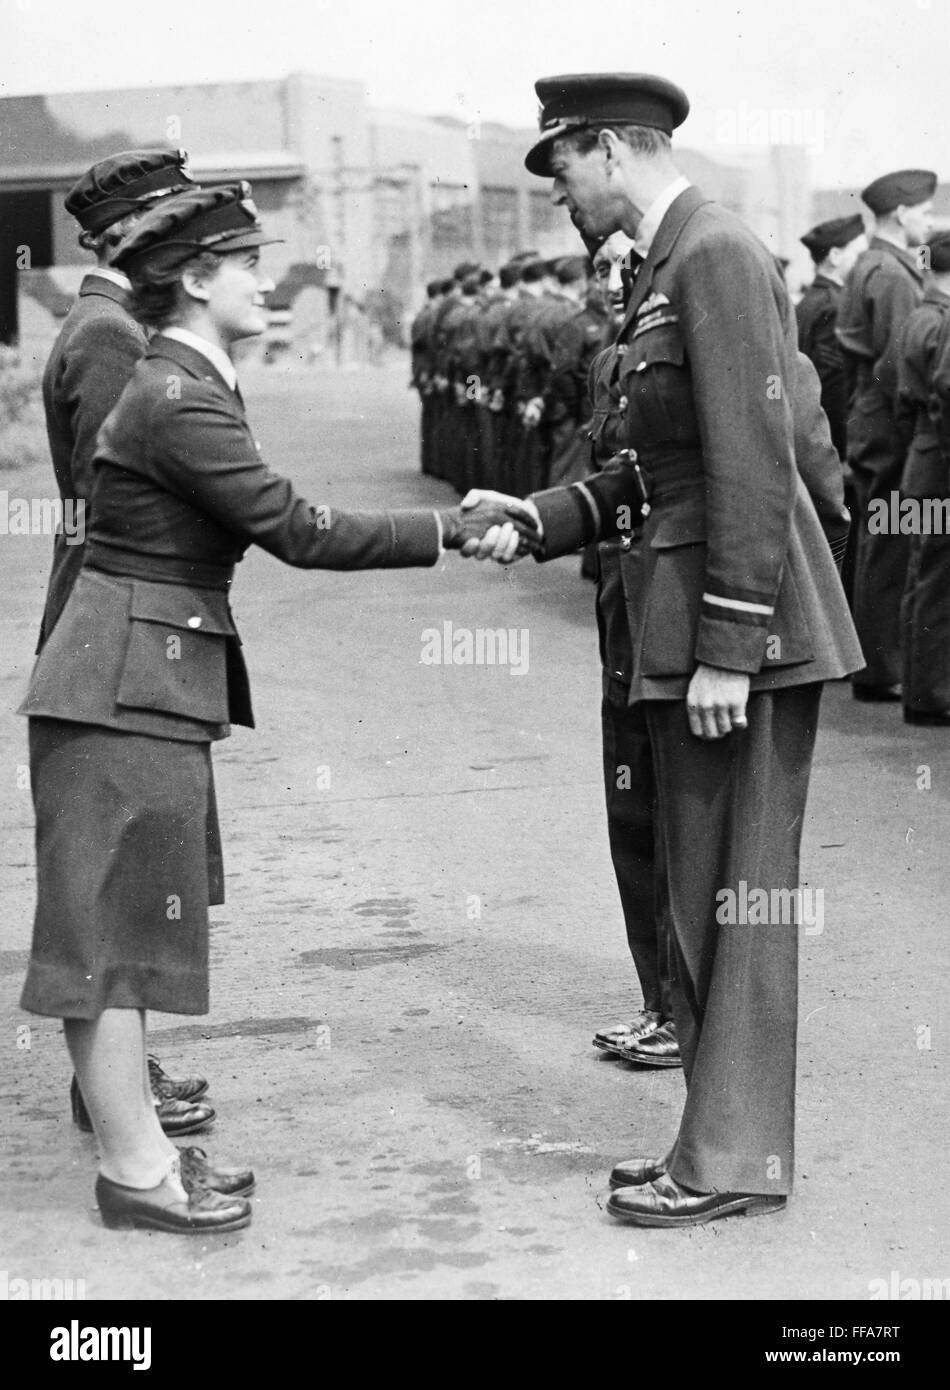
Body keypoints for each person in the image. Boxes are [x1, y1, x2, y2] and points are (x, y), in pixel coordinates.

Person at [17, 183, 539, 1234]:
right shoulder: (176, 395)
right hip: (123, 679)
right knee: (107, 938)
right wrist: (450, 529)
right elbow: (298, 528)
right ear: (195, 280)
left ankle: (141, 1154)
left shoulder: (183, 380)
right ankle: (135, 1173)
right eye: (249, 265)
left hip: (140, 673)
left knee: (124, 928)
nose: (268, 282)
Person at [472, 71, 862, 1226]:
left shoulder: (714, 252)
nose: (559, 196)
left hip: (737, 632)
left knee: (736, 903)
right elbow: (652, 465)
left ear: (607, 148)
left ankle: (729, 1157)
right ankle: (710, 1141)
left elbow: (753, 454)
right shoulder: (665, 264)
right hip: (679, 618)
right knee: (696, 898)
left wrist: (731, 644)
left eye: (561, 169)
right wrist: (541, 515)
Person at [37, 148, 218, 1139]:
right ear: (130, 236)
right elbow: (129, 502)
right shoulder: (110, 336)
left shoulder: (107, 324)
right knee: (121, 868)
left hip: (121, 616)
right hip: (121, 626)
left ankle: (120, 1082)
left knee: (133, 866)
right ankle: (114, 1098)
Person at [836, 169, 936, 700]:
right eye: (924, 211)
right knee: (891, 540)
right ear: (900, 213)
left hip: (870, 418)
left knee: (882, 536)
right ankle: (879, 667)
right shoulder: (894, 274)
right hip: (889, 424)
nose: (930, 221)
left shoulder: (872, 264)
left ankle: (875, 662)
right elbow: (898, 367)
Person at [797, 215, 868, 603]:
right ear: (837, 256)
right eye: (858, 252)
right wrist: (844, 450)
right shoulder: (834, 306)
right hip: (831, 452)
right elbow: (834, 388)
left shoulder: (807, 303)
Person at [896, 231, 950, 723]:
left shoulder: (918, 316)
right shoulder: (941, 321)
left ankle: (920, 689)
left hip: (921, 458)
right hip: (939, 466)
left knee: (922, 576)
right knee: (937, 581)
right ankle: (933, 695)